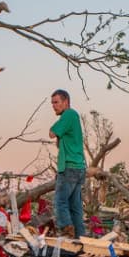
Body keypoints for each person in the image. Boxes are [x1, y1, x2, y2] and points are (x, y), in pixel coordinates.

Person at [49, 89, 86, 238]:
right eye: (52, 103)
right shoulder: (73, 116)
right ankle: (80, 238)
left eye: (56, 102)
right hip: (78, 168)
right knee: (75, 207)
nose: (54, 106)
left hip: (69, 168)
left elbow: (52, 133)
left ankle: (67, 233)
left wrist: (55, 130)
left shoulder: (69, 114)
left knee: (59, 201)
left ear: (66, 102)